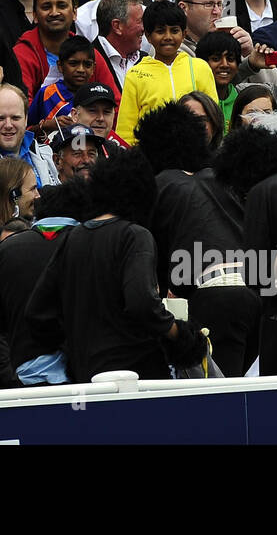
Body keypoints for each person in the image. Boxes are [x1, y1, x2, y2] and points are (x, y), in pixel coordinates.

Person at [27, 150, 206, 382]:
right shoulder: (135, 236)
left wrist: (74, 342)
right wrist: (180, 333)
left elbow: (37, 312)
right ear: (144, 193)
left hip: (85, 375)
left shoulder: (73, 237)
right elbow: (142, 303)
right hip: (137, 374)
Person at [116, 1, 219, 143]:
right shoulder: (136, 74)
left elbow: (214, 116)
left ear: (184, 34)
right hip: (151, 158)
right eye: (160, 31)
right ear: (148, 35)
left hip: (196, 154)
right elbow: (126, 130)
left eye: (174, 30)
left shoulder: (200, 67)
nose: (168, 37)